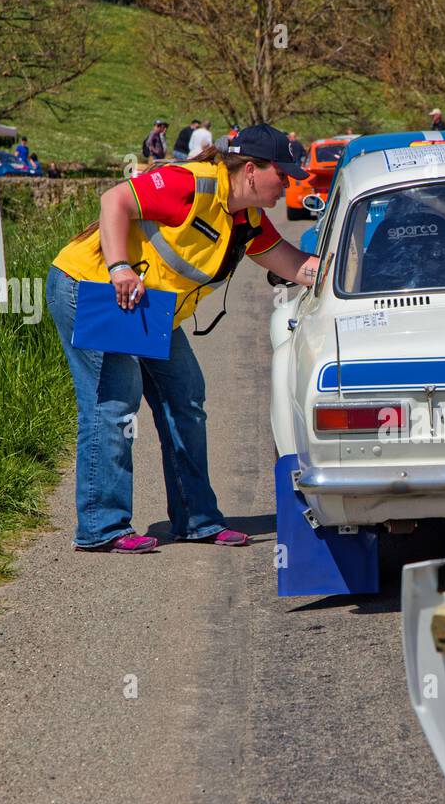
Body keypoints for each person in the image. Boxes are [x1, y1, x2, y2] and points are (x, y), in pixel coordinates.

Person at [45, 124, 317, 553]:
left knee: (185, 396)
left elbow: (297, 266)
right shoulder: (190, 183)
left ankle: (196, 519)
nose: (288, 185)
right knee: (115, 403)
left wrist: (352, 274)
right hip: (93, 287)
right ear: (251, 170)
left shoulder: (247, 219)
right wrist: (119, 267)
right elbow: (114, 200)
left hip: (146, 307)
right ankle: (102, 526)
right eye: (282, 175)